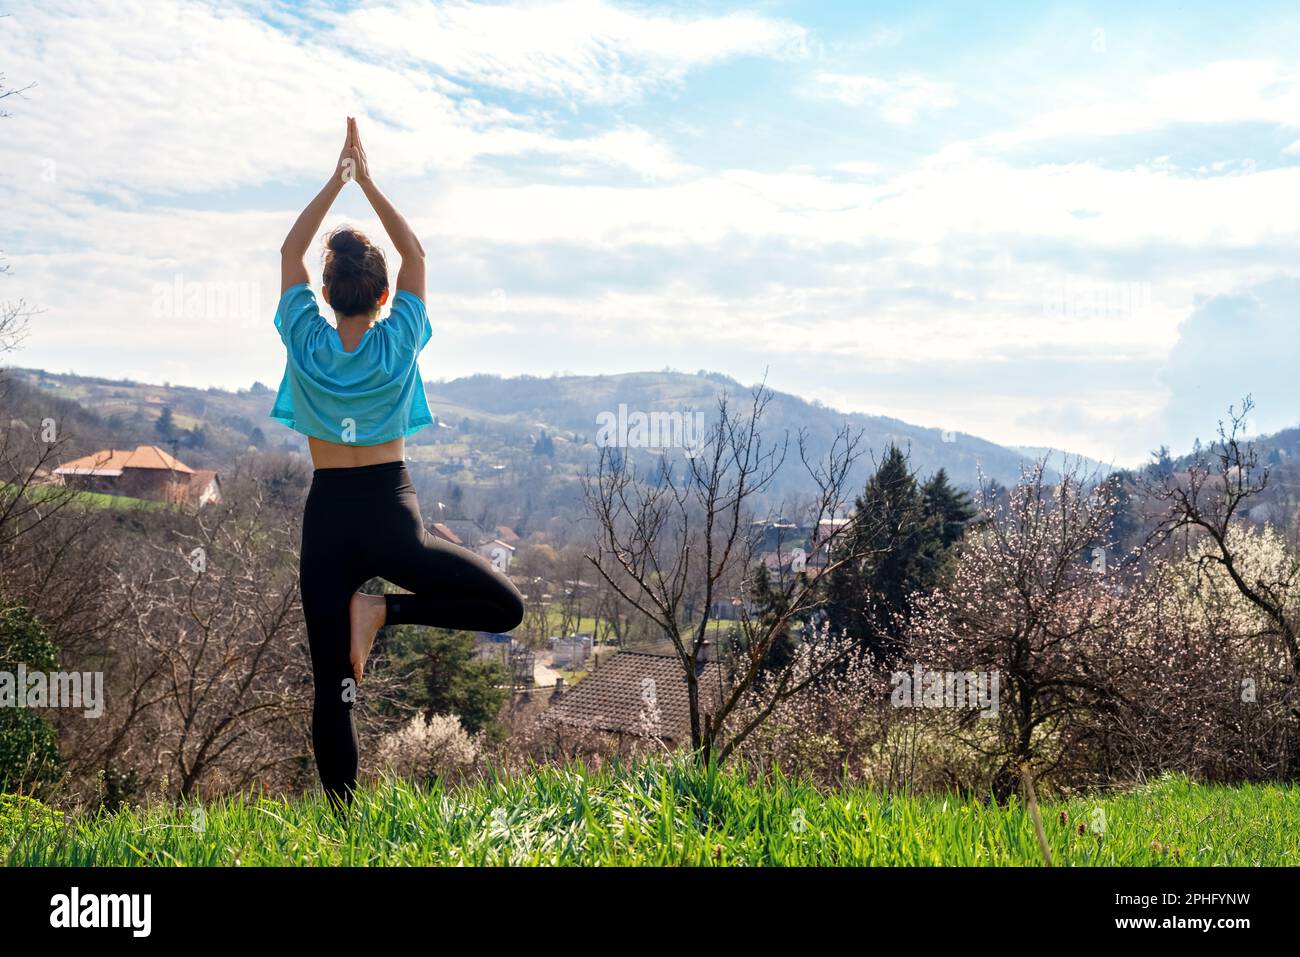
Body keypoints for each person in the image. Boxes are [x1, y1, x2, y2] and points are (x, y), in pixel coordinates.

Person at [271, 117, 524, 814]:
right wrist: (368, 182)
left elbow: (292, 246)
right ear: (384, 297)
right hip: (390, 516)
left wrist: (337, 181)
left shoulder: (305, 340)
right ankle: (383, 610)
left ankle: (345, 832)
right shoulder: (399, 342)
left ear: (324, 296)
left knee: (335, 689)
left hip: (327, 524)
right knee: (506, 605)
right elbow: (414, 251)